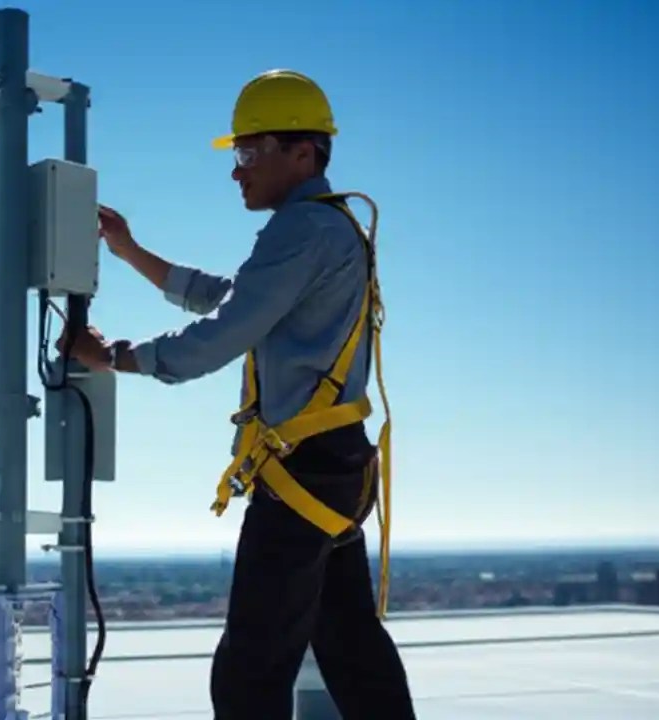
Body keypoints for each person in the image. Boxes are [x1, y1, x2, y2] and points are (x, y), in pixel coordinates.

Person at [58, 69, 418, 719]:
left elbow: (224, 332)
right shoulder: (331, 230)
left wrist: (114, 357)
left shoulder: (301, 230)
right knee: (350, 647)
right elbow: (237, 298)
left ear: (302, 153)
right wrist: (131, 251)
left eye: (250, 153)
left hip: (301, 469)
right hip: (335, 466)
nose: (237, 170)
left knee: (250, 670)